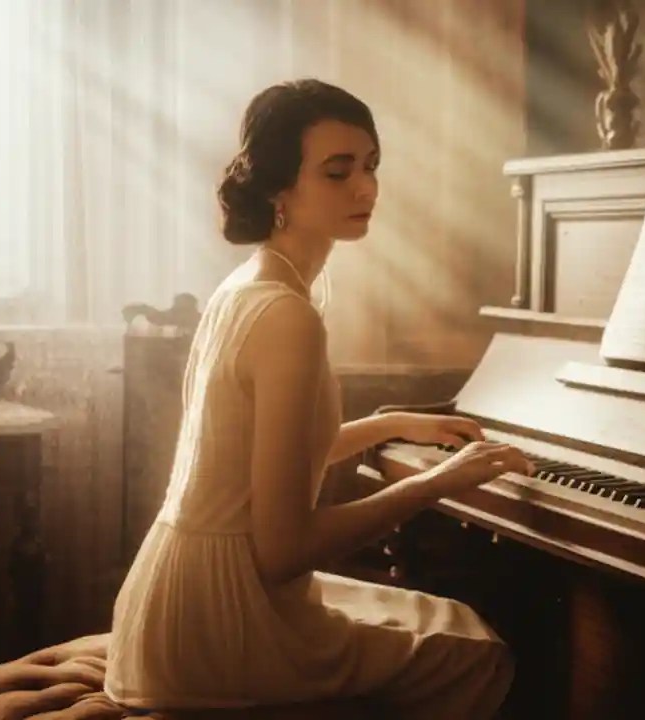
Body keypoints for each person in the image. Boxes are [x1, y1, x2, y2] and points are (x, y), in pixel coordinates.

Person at [104, 79, 532, 718]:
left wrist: (390, 424)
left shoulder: (251, 284)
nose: (367, 189)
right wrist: (435, 483)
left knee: (441, 614)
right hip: (220, 624)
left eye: (370, 166)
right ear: (280, 188)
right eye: (338, 172)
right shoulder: (285, 316)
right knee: (479, 651)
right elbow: (284, 552)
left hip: (177, 591)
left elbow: (262, 458)